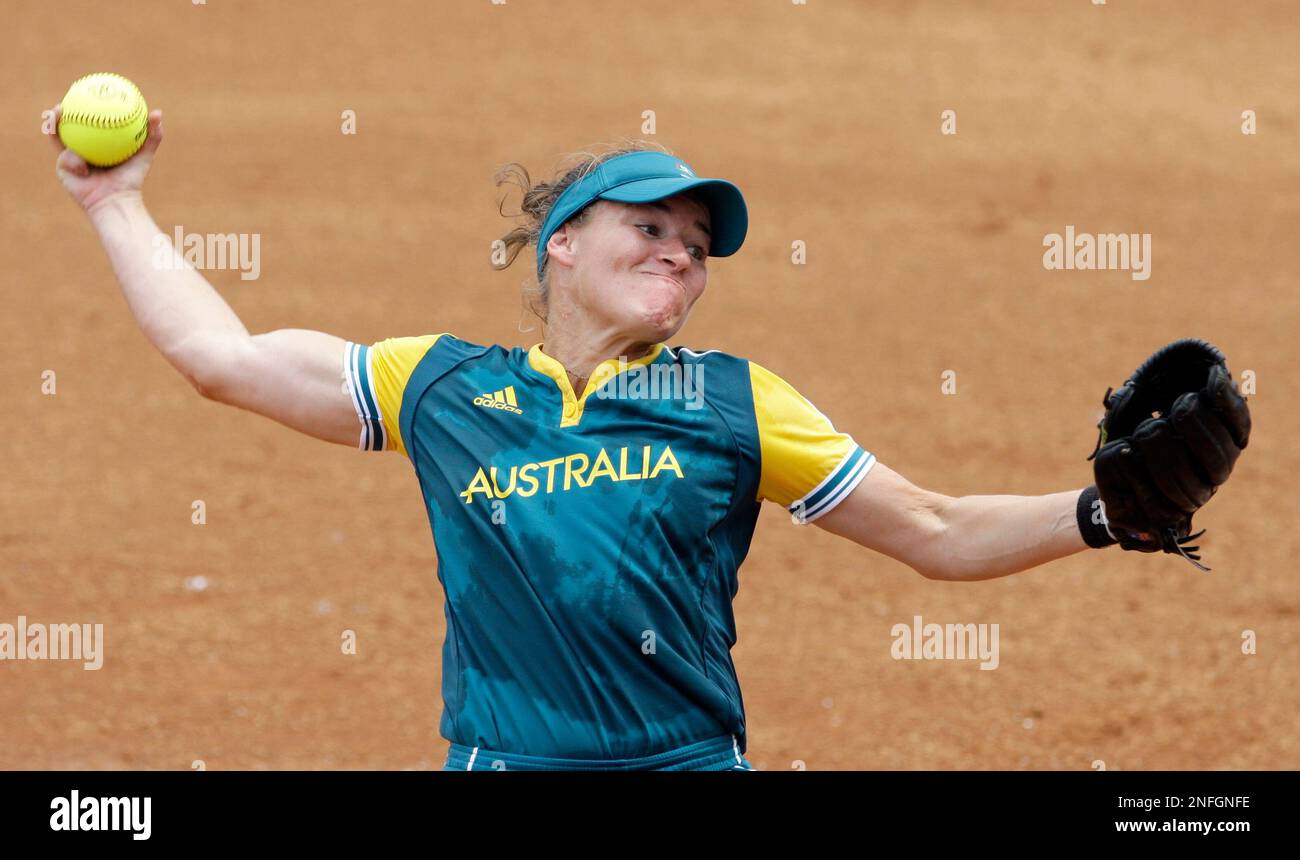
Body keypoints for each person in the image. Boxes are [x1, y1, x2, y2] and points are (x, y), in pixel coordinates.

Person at [46, 109, 1205, 772]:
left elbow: (937, 530)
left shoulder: (733, 400)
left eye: (695, 245)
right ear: (559, 244)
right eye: (648, 227)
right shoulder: (441, 386)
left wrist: (1105, 511)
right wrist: (116, 202)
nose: (680, 255)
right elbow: (222, 357)